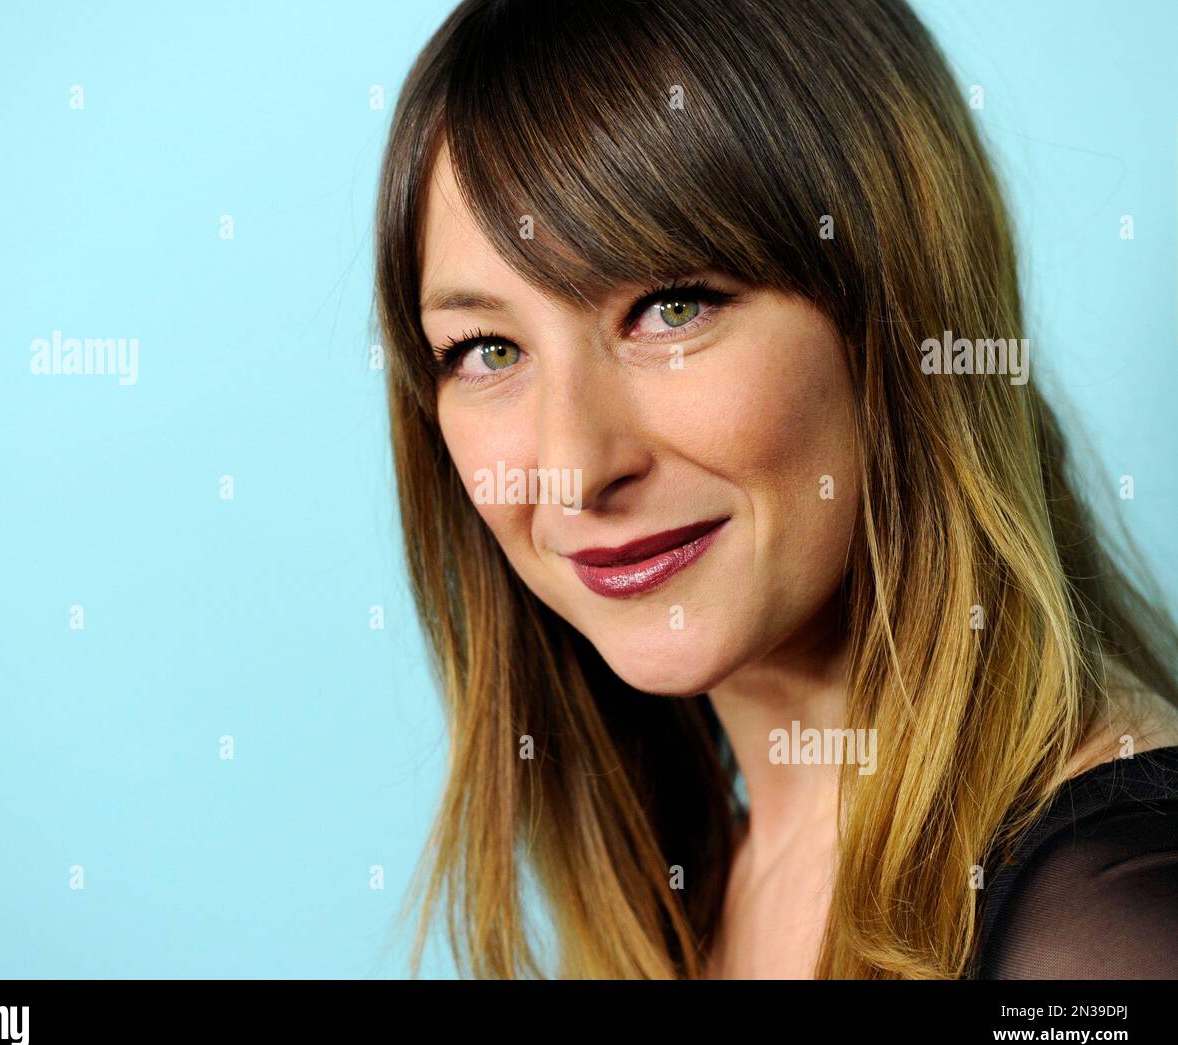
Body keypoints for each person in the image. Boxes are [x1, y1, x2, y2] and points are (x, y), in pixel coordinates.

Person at [372, 0, 1178, 979]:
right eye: (487, 349)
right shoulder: (699, 889)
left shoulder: (1116, 926)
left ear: (897, 314)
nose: (573, 468)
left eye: (672, 308)